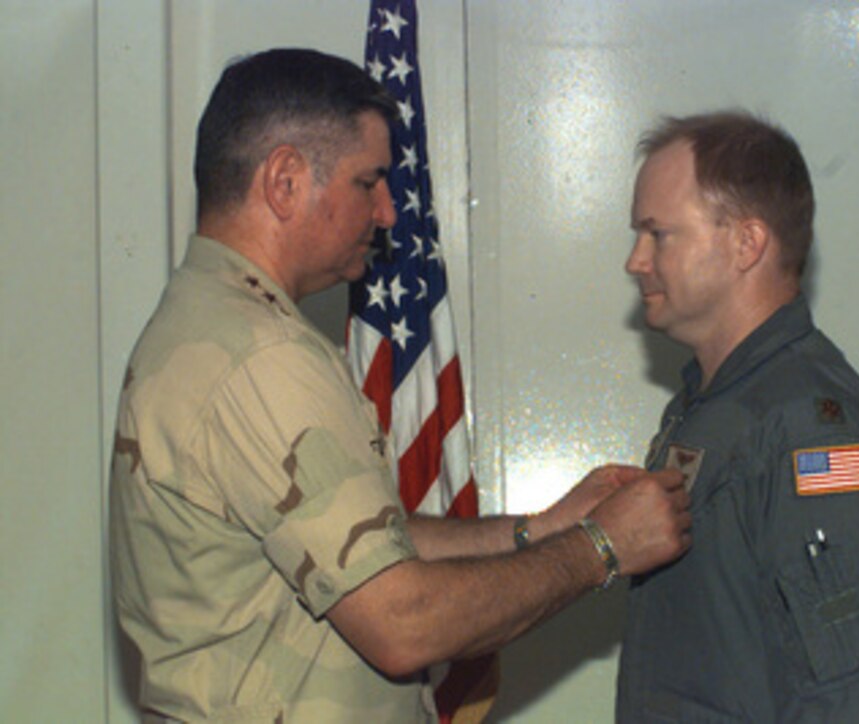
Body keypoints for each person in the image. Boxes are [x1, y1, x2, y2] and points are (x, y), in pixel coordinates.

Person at [109, 48, 691, 723]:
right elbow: (403, 624)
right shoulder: (258, 355)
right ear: (286, 181)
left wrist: (540, 529)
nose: (388, 211)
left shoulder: (216, 323)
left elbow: (357, 543)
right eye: (369, 181)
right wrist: (599, 548)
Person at [617, 111, 859, 721]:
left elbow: (855, 696)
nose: (635, 260)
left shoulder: (811, 430)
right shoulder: (709, 408)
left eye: (659, 234)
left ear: (746, 243)